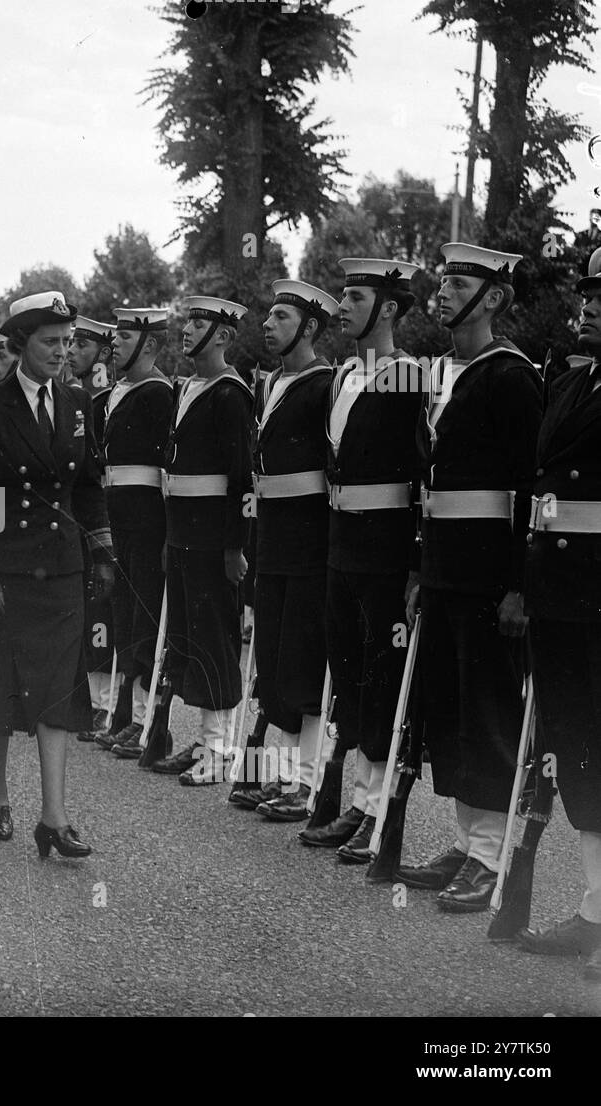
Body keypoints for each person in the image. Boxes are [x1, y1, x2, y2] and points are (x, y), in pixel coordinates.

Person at [397, 243, 543, 912]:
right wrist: (421, 569)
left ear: (494, 298)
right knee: (451, 707)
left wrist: (520, 584)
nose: (443, 293)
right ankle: (467, 840)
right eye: (444, 282)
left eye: (459, 284)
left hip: (489, 575)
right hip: (446, 568)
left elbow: (529, 488)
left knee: (487, 710)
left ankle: (491, 856)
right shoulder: (442, 374)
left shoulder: (511, 377)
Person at [0, 291, 115, 855]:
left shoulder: (78, 404)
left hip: (61, 565)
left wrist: (102, 552)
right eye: (50, 342)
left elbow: (88, 486)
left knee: (56, 688)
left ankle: (54, 816)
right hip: (4, 567)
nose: (62, 352)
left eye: (68, 342)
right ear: (21, 344)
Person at [301, 259, 424, 857]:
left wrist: (416, 563)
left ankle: (374, 807)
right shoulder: (344, 374)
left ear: (389, 309)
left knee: (381, 678)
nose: (343, 307)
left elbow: (422, 472)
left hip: (385, 550)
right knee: (348, 674)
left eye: (356, 298)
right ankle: (353, 796)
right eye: (344, 296)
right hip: (341, 546)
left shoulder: (408, 377)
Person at [517, 246, 601, 980]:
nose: (592, 305)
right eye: (590, 292)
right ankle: (596, 911)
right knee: (580, 752)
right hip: (563, 592)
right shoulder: (574, 382)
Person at [247, 279, 338, 820]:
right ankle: (284, 776)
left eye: (281, 317)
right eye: (269, 315)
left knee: (304, 663)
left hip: (309, 544)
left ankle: (307, 783)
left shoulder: (325, 384)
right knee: (276, 661)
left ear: (308, 328)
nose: (267, 324)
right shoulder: (270, 384)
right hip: (273, 542)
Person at [155, 296, 254, 785]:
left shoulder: (231, 394)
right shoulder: (187, 387)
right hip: (183, 535)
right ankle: (205, 740)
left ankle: (220, 751)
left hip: (214, 539)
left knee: (215, 640)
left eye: (199, 322)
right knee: (189, 638)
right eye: (188, 320)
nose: (188, 328)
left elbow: (242, 480)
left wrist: (235, 547)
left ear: (223, 336)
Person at [99, 307, 175, 759]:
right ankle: (125, 713)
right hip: (120, 518)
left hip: (148, 521)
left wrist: (167, 534)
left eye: (124, 337)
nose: (115, 343)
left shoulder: (158, 393)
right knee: (125, 614)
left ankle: (148, 720)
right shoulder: (120, 390)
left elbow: (167, 469)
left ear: (149, 345)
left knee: (146, 619)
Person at [66, 316, 118, 737]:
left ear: (102, 353)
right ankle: (89, 695)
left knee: (103, 608)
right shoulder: (78, 399)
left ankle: (105, 701)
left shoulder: (104, 400)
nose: (70, 351)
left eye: (81, 346)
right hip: (80, 515)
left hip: (107, 515)